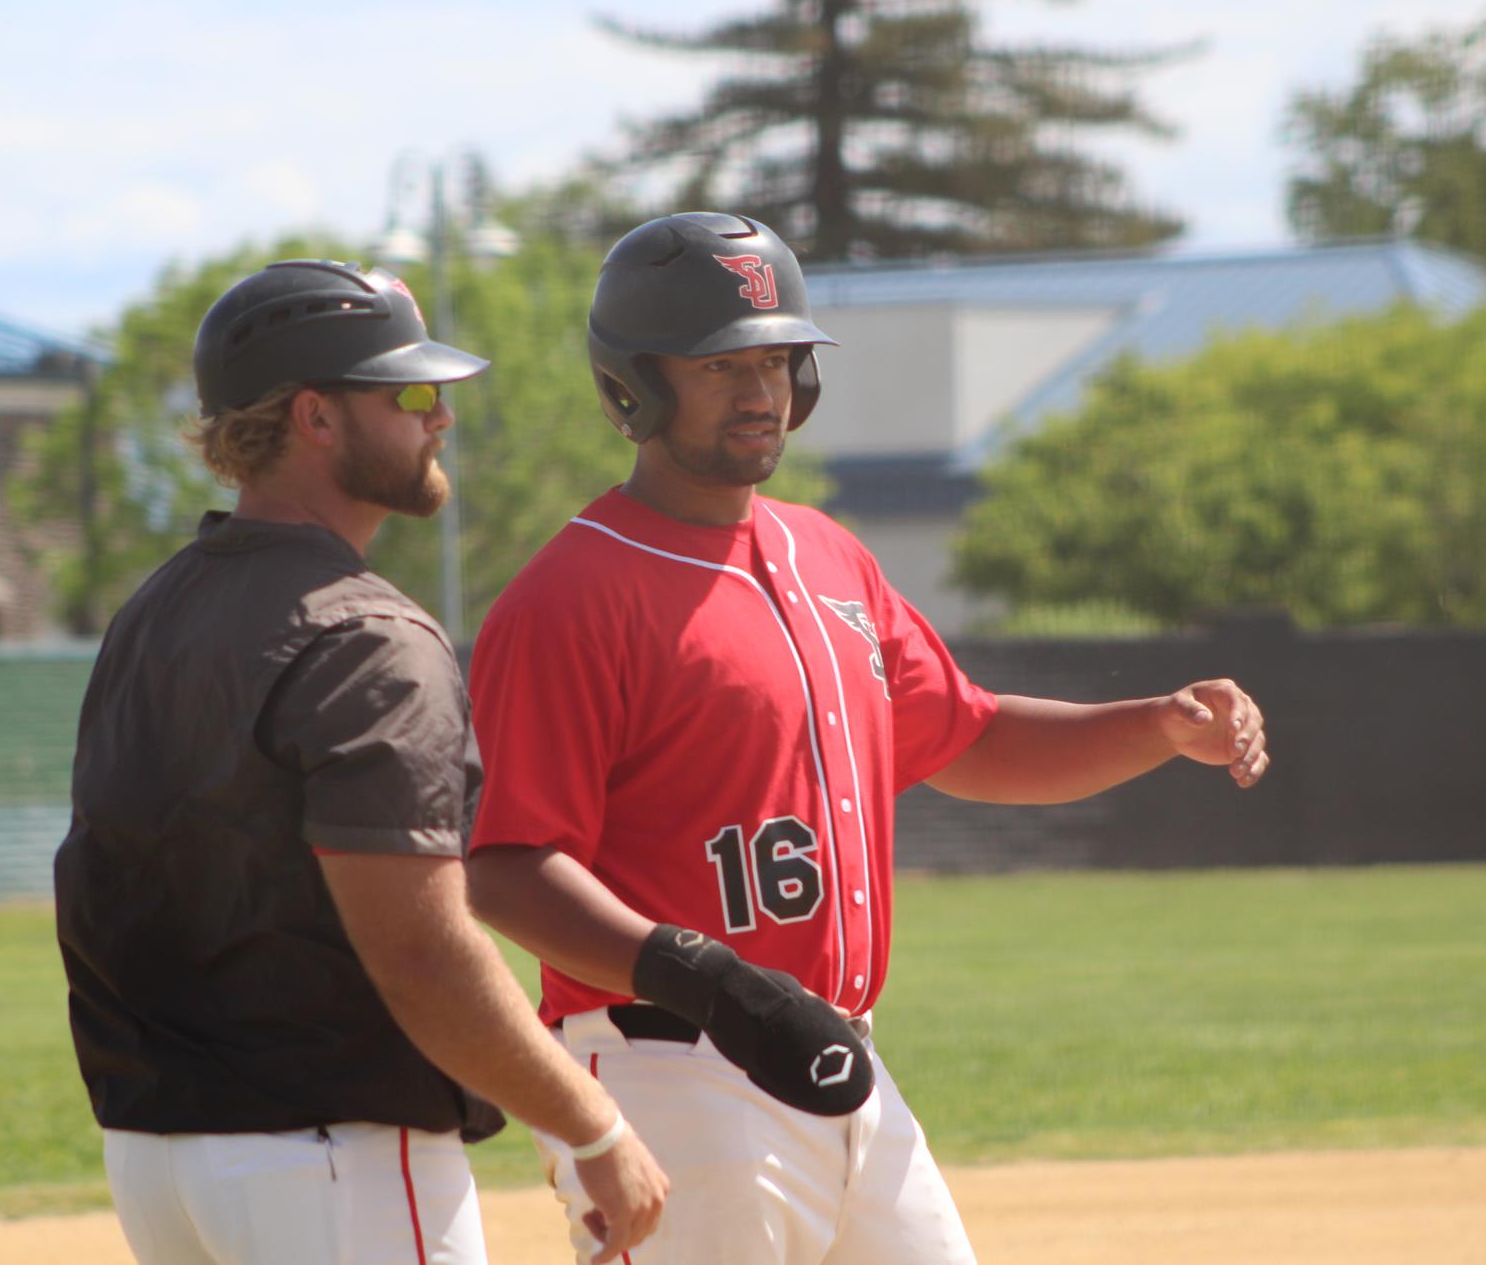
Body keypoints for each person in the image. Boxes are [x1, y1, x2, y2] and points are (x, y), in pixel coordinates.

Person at [463, 213, 1269, 1264]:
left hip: (844, 1058)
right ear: (635, 383)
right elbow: (511, 874)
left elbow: (965, 736)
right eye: (720, 363)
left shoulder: (826, 553)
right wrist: (702, 975)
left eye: (777, 358)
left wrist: (1155, 726)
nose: (759, 390)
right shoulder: (571, 596)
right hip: (671, 1072)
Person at [53, 259, 667, 1265]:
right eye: (412, 392)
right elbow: (420, 950)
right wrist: (591, 1125)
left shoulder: (152, 610)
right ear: (316, 417)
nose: (441, 418)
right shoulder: (367, 634)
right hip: (330, 1159)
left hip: (159, 1155)